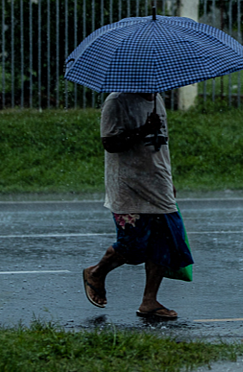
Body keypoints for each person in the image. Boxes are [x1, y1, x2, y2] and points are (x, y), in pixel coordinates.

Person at [82, 92, 193, 320]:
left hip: (158, 183)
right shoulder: (117, 102)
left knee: (163, 242)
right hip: (128, 185)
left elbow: (160, 146)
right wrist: (144, 128)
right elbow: (110, 143)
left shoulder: (157, 99)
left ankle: (149, 301)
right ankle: (96, 272)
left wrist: (167, 180)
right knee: (132, 245)